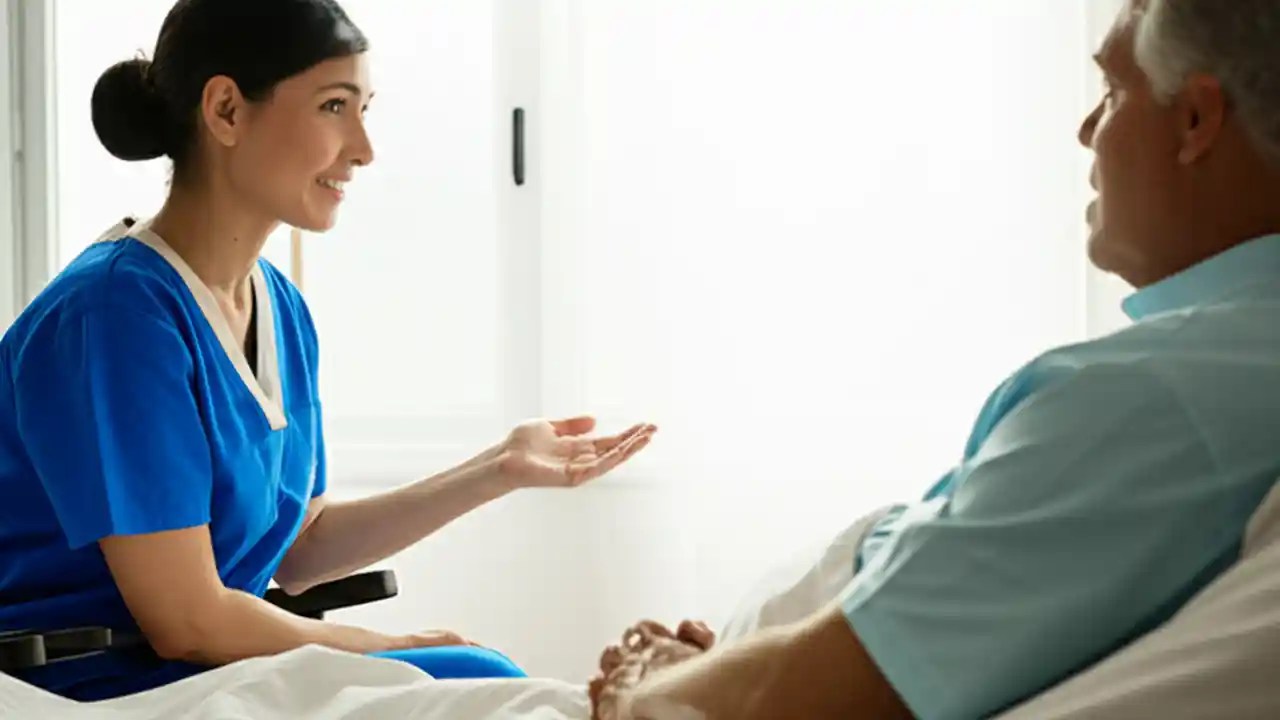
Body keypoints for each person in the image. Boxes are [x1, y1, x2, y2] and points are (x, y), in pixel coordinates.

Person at [588, 0, 1280, 717]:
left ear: (1195, 121)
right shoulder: (1223, 371)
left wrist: (645, 684)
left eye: (1111, 93)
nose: (1084, 132)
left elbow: (793, 700)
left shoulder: (1150, 399)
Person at [0, 0, 655, 702]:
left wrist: (499, 468)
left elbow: (301, 549)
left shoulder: (278, 306)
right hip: (97, 681)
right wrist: (397, 648)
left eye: (365, 108)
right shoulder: (115, 316)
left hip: (212, 668)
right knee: (487, 685)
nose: (365, 148)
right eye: (335, 107)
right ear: (225, 110)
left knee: (488, 683)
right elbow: (186, 621)